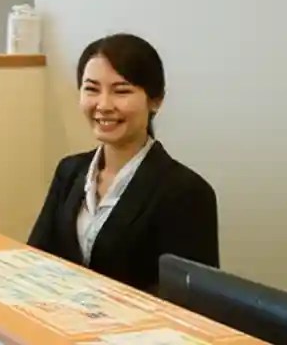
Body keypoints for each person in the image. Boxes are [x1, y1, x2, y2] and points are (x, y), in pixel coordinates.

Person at [28, 33, 218, 293]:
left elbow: (191, 300)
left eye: (121, 91)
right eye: (92, 89)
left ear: (155, 100)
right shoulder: (70, 171)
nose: (103, 105)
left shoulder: (186, 192)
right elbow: (36, 261)